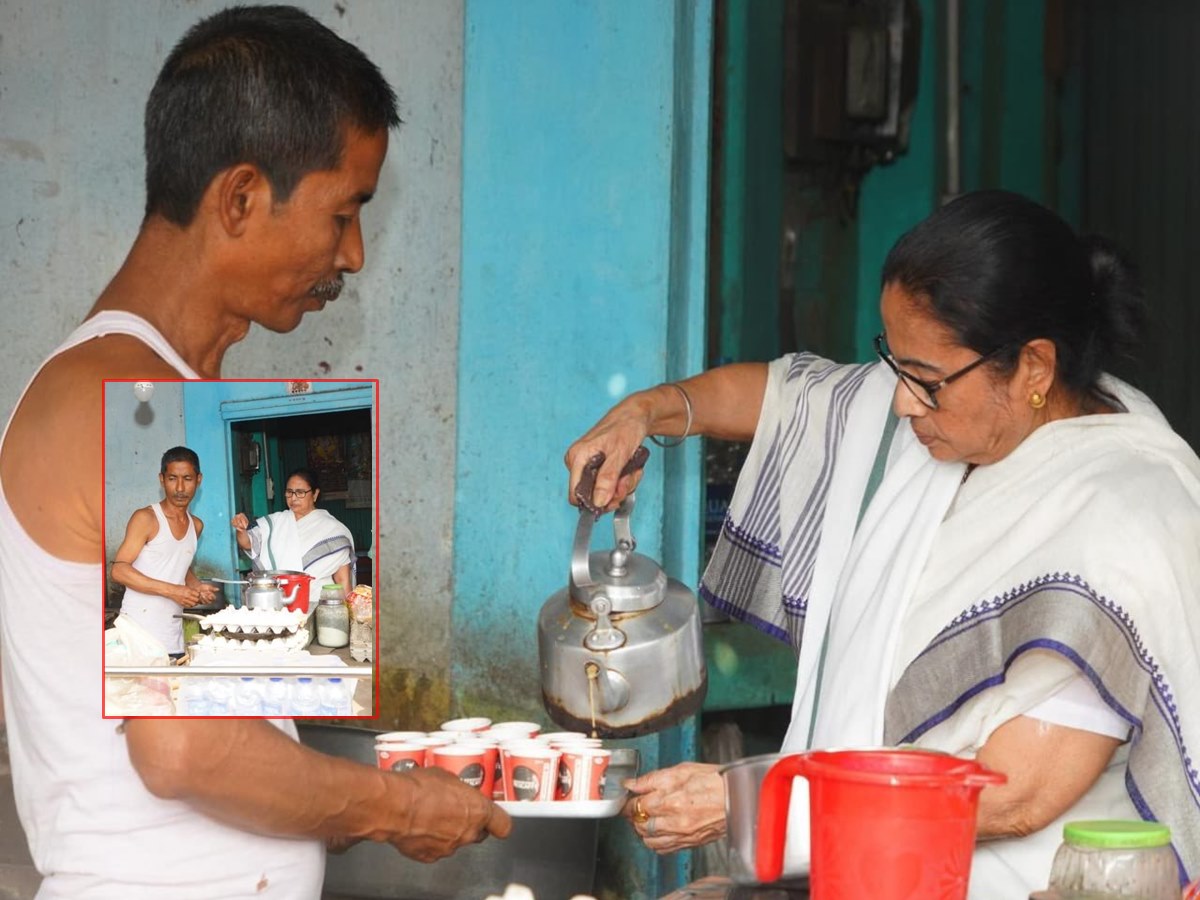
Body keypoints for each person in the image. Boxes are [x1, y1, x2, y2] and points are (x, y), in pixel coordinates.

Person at [0, 7, 509, 899]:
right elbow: (184, 749)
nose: (353, 254)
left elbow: (227, 727)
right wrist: (396, 808)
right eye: (343, 213)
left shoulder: (159, 397)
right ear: (239, 198)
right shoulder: (130, 399)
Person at [565, 190, 1200, 897]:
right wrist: (643, 413)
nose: (900, 401)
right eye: (894, 365)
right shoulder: (929, 419)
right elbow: (783, 397)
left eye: (926, 381)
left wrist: (768, 801)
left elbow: (1017, 794)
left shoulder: (1126, 515)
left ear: (1034, 369)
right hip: (866, 870)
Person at [111, 446, 219, 658]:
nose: (180, 488)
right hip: (137, 637)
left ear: (199, 480)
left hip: (172, 637)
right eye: (172, 478)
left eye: (187, 478)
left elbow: (178, 564)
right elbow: (119, 570)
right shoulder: (146, 518)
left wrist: (196, 587)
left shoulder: (196, 526)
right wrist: (173, 591)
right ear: (162, 479)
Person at [232, 468, 355, 606]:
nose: (293, 498)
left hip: (317, 605)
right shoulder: (275, 522)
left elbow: (342, 580)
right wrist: (241, 529)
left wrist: (348, 611)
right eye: (289, 492)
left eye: (300, 492)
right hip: (275, 603)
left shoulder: (334, 530)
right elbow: (248, 543)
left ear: (315, 494)